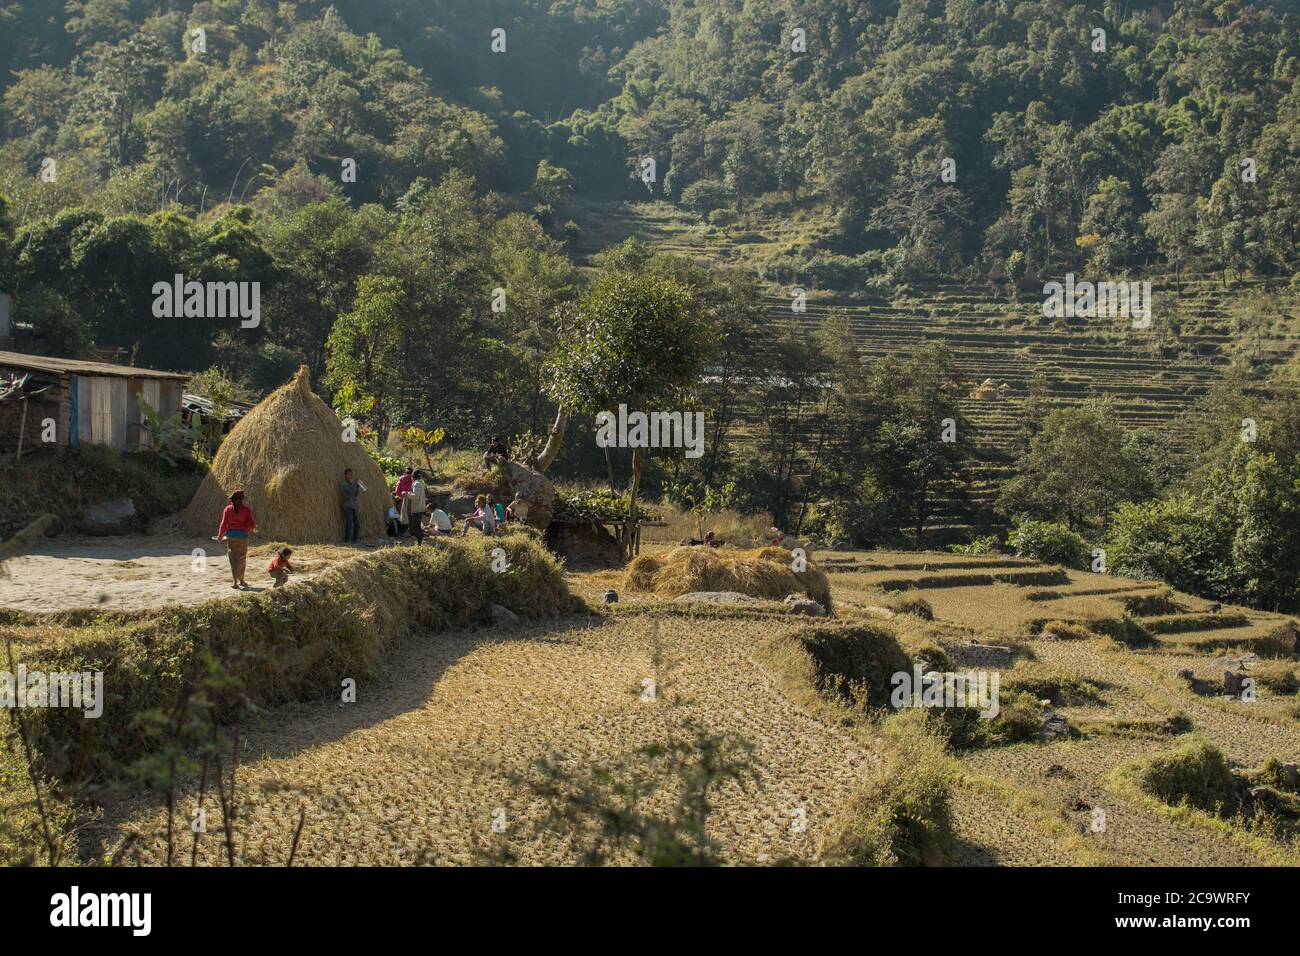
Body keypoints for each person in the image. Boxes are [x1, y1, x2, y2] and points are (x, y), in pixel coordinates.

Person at [215, 490, 256, 589]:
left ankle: (235, 582)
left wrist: (220, 536)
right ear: (242, 500)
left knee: (233, 558)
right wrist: (247, 529)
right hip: (243, 537)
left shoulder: (228, 509)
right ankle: (241, 580)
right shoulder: (246, 510)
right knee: (241, 558)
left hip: (231, 537)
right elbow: (251, 525)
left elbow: (223, 524)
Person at [402, 469, 428, 544]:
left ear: (412, 477)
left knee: (413, 527)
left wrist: (406, 494)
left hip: (416, 509)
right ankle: (419, 542)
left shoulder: (416, 484)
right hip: (419, 508)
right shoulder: (421, 483)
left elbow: (415, 496)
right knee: (417, 526)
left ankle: (421, 539)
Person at [340, 468, 363, 543]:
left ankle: (355, 539)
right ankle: (347, 540)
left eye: (351, 475)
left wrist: (358, 487)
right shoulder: (344, 484)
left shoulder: (351, 484)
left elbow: (355, 494)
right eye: (349, 475)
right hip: (347, 506)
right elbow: (349, 491)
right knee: (349, 523)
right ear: (345, 475)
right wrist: (355, 485)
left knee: (357, 524)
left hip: (353, 506)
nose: (350, 476)